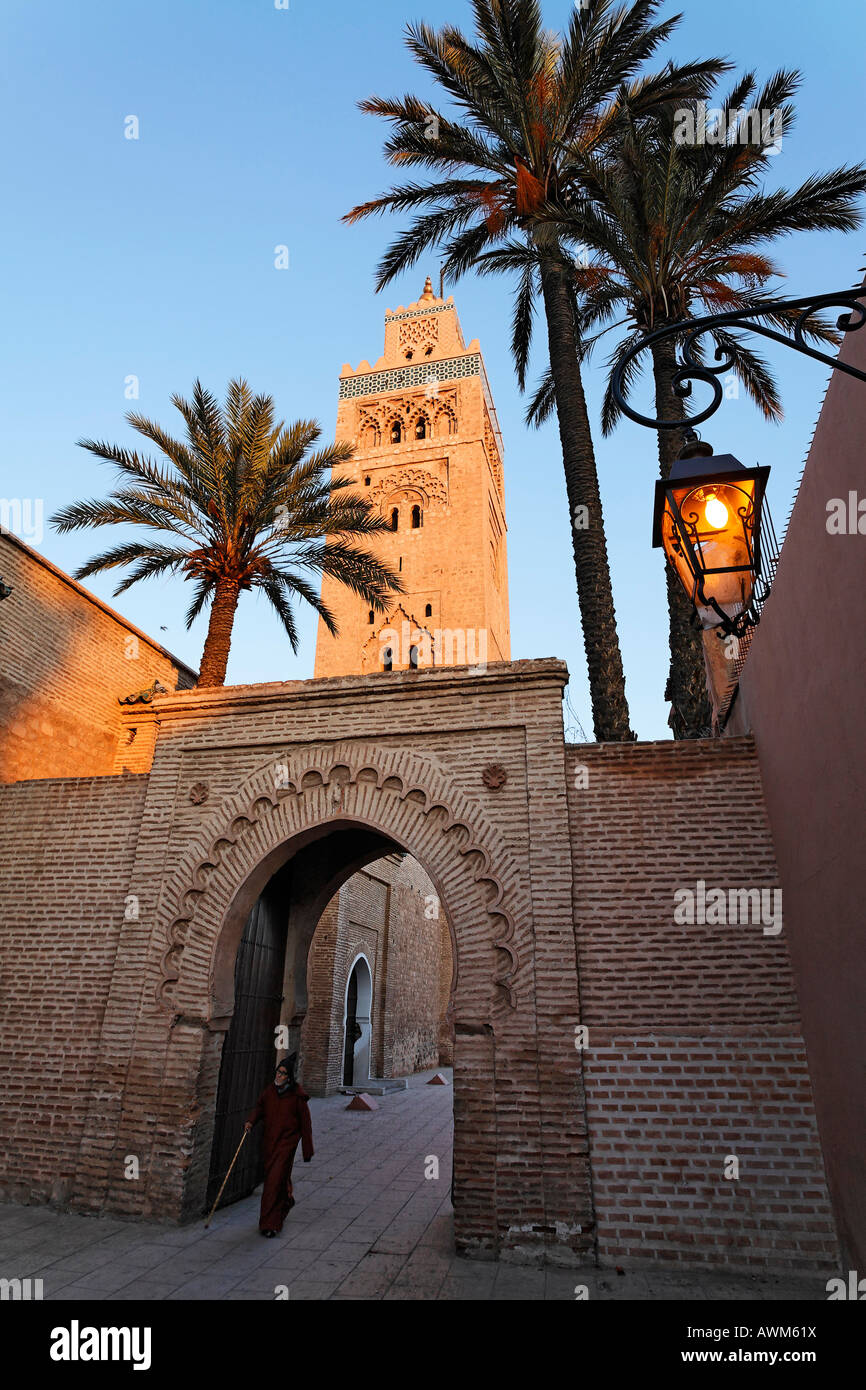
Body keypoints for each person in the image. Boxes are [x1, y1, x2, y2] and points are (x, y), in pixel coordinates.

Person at [244, 1053, 314, 1237]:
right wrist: (251, 1121)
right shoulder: (270, 1092)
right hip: (269, 1143)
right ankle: (286, 1200)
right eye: (278, 1072)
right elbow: (260, 1107)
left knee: (273, 1183)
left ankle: (270, 1224)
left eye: (283, 1074)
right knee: (278, 1179)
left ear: (289, 1077)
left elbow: (306, 1126)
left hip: (286, 1146)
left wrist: (307, 1150)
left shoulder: (297, 1098)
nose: (279, 1076)